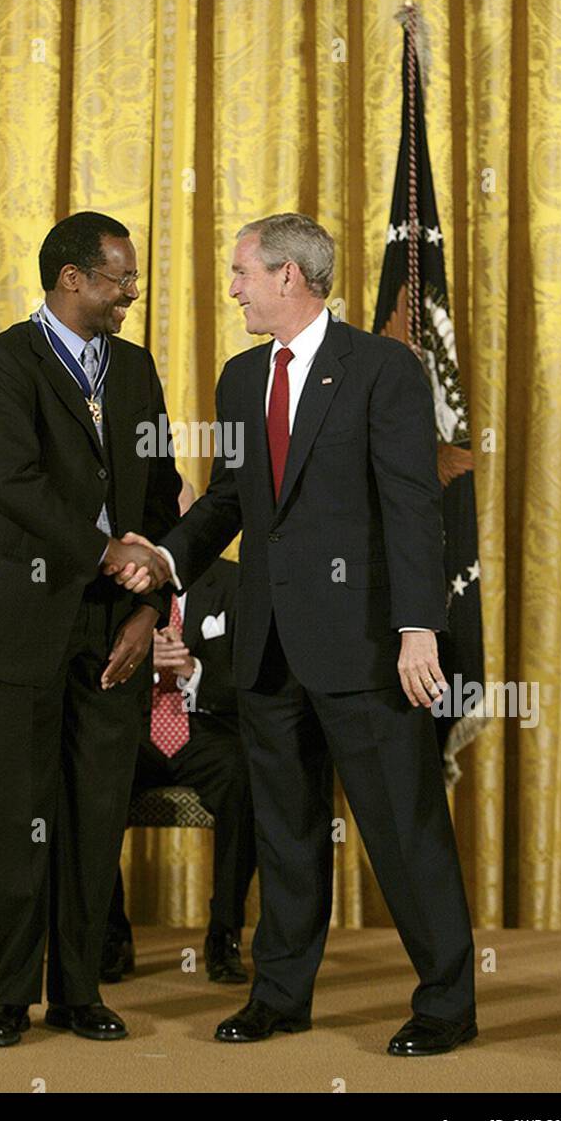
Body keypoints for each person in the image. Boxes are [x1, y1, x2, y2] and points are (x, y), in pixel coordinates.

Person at [110, 212, 477, 1056]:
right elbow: (232, 499)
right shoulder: (242, 379)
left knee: (403, 826)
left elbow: (415, 505)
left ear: (289, 277)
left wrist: (418, 627)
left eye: (241, 271)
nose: (232, 286)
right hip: (267, 647)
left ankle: (447, 1003)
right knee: (284, 828)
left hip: (367, 646)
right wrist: (165, 559)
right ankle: (279, 994)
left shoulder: (383, 368)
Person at [0, 211, 178, 1048]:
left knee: (93, 817)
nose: (132, 293)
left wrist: (152, 605)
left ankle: (78, 992)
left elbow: (161, 493)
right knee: (21, 815)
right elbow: (11, 483)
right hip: (20, 624)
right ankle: (6, 998)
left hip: (115, 627)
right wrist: (107, 552)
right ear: (71, 278)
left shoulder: (138, 368)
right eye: (121, 278)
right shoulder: (2, 361)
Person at [101, 478, 255, 987]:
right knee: (93, 778)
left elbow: (255, 682)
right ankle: (110, 937)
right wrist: (144, 670)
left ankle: (224, 934)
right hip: (136, 727)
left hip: (206, 728)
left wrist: (194, 671)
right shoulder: (116, 590)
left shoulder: (237, 583)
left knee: (243, 778)